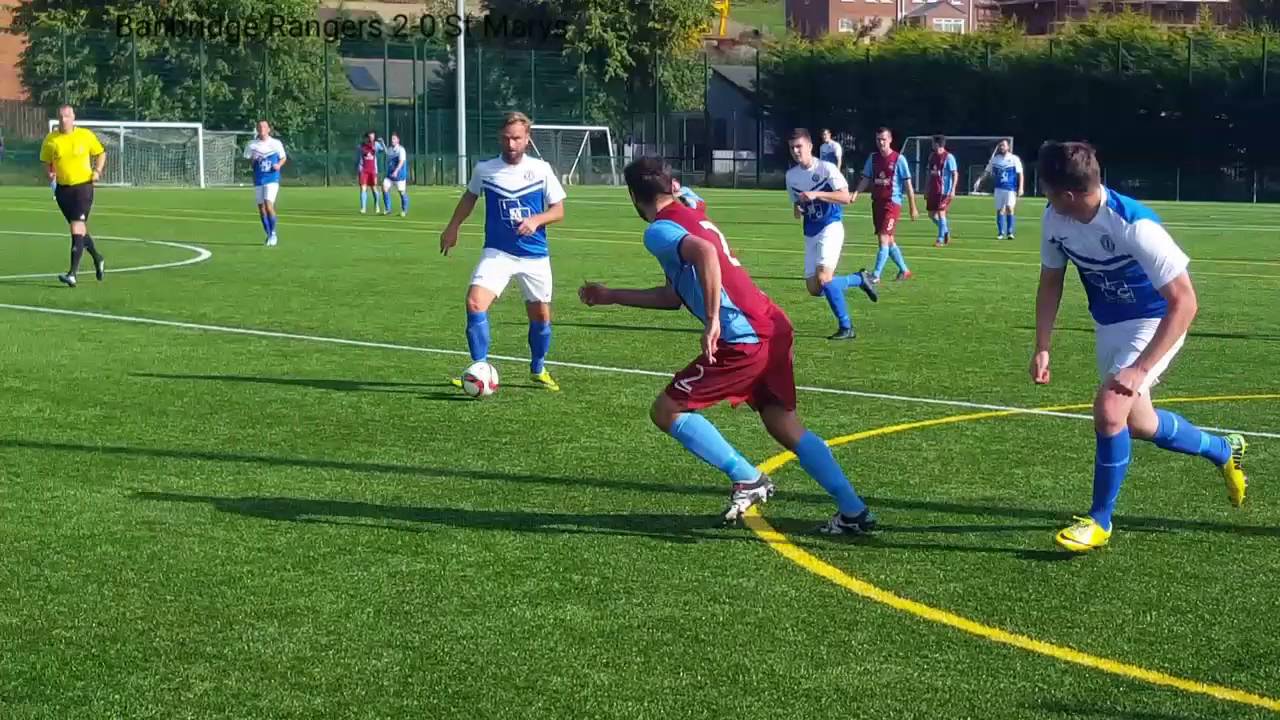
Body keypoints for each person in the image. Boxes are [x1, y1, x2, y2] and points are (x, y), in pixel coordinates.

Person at [578, 156, 877, 534]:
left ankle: (747, 477)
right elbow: (675, 296)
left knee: (666, 410)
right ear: (671, 185)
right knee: (783, 423)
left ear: (634, 197)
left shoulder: (658, 231)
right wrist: (611, 296)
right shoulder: (690, 205)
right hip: (773, 324)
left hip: (743, 337)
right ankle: (853, 510)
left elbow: (703, 253)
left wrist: (714, 319)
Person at [1031, 140, 1248, 553]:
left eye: (1046, 189)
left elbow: (1185, 302)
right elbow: (1050, 281)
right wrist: (1043, 344)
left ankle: (1099, 521)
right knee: (1140, 424)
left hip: (1155, 321)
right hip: (1108, 326)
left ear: (1069, 194)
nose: (1044, 196)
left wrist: (1140, 369)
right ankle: (1223, 450)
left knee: (1111, 409)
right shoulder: (1054, 219)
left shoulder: (1134, 225)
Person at [440, 111, 567, 392]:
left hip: (534, 256)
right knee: (474, 303)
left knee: (541, 318)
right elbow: (469, 198)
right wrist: (453, 227)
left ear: (527, 139)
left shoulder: (542, 170)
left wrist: (536, 220)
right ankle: (479, 368)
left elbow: (559, 210)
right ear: (500, 137)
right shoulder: (485, 170)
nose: (511, 145)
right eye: (507, 138)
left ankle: (538, 368)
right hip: (497, 253)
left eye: (517, 139)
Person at [784, 128, 877, 340]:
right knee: (814, 288)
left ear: (810, 146)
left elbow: (846, 197)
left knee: (825, 278)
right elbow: (796, 207)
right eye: (792, 148)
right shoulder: (791, 176)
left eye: (799, 146)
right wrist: (798, 209)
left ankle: (847, 327)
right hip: (810, 232)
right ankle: (859, 279)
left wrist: (817, 194)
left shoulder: (826, 169)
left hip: (831, 227)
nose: (796, 151)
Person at [39, 104, 106, 288]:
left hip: (83, 188)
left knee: (76, 227)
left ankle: (72, 274)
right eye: (61, 116)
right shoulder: (51, 139)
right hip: (63, 190)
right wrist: (49, 173)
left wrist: (97, 171)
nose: (63, 120)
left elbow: (100, 153)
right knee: (79, 230)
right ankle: (98, 258)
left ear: (73, 117)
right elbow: (46, 161)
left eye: (67, 116)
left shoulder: (85, 135)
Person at [851, 127, 918, 283]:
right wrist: (856, 193)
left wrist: (912, 207)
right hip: (877, 203)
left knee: (883, 238)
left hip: (892, 204)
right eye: (878, 139)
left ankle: (875, 275)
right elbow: (866, 178)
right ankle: (905, 270)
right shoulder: (873, 158)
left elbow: (908, 185)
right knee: (889, 240)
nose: (881, 142)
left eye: (883, 139)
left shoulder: (899, 159)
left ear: (890, 140)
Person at [243, 120, 286, 247]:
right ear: (257, 129)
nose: (262, 128)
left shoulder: (276, 143)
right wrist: (254, 160)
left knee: (268, 205)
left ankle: (273, 233)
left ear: (268, 129)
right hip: (258, 179)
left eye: (264, 126)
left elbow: (283, 157)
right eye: (259, 127)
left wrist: (278, 165)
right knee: (261, 209)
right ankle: (268, 234)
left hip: (272, 178)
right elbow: (247, 158)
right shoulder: (252, 144)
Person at [975, 138, 1023, 240]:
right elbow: (987, 172)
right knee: (1000, 210)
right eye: (1000, 146)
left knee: (1010, 208)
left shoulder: (1014, 159)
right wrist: (979, 180)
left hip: (1010, 188)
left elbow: (1020, 174)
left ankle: (1010, 232)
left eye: (1004, 145)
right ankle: (1001, 232)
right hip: (999, 188)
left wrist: (1021, 187)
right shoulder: (995, 159)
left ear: (1008, 147)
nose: (1002, 147)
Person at [925, 135, 958, 247]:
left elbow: (955, 173)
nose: (932, 145)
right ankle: (945, 231)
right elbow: (930, 174)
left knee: (941, 213)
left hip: (944, 191)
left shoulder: (949, 157)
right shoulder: (932, 156)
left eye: (933, 143)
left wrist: (953, 189)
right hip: (933, 190)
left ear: (937, 144)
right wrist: (927, 189)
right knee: (931, 215)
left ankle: (940, 239)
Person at [381, 132, 409, 217]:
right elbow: (387, 152)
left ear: (398, 140)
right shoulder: (390, 149)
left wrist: (396, 171)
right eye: (392, 139)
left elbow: (401, 162)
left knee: (402, 192)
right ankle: (388, 209)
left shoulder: (401, 150)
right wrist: (382, 143)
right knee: (384, 188)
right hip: (390, 176)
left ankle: (404, 210)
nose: (392, 140)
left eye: (394, 139)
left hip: (399, 176)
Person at [357, 131, 385, 214]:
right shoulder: (361, 146)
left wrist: (382, 143)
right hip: (363, 170)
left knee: (374, 189)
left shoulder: (376, 144)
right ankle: (363, 208)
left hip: (372, 170)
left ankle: (376, 205)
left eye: (372, 137)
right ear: (366, 137)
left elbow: (384, 150)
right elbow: (358, 157)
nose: (371, 139)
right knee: (363, 188)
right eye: (369, 137)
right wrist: (358, 168)